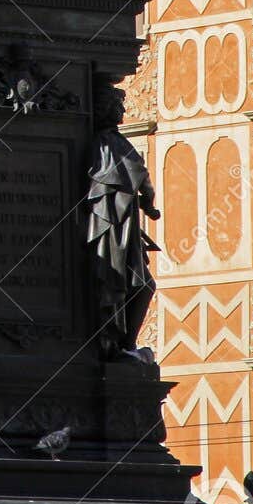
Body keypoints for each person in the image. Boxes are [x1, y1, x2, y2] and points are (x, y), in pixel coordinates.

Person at [86, 82, 161, 357]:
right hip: (115, 227)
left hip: (119, 226)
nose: (122, 110)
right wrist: (149, 206)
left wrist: (147, 205)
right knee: (134, 284)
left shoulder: (111, 144)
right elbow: (143, 178)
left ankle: (122, 344)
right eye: (117, 105)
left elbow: (139, 176)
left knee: (135, 285)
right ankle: (121, 344)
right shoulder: (110, 144)